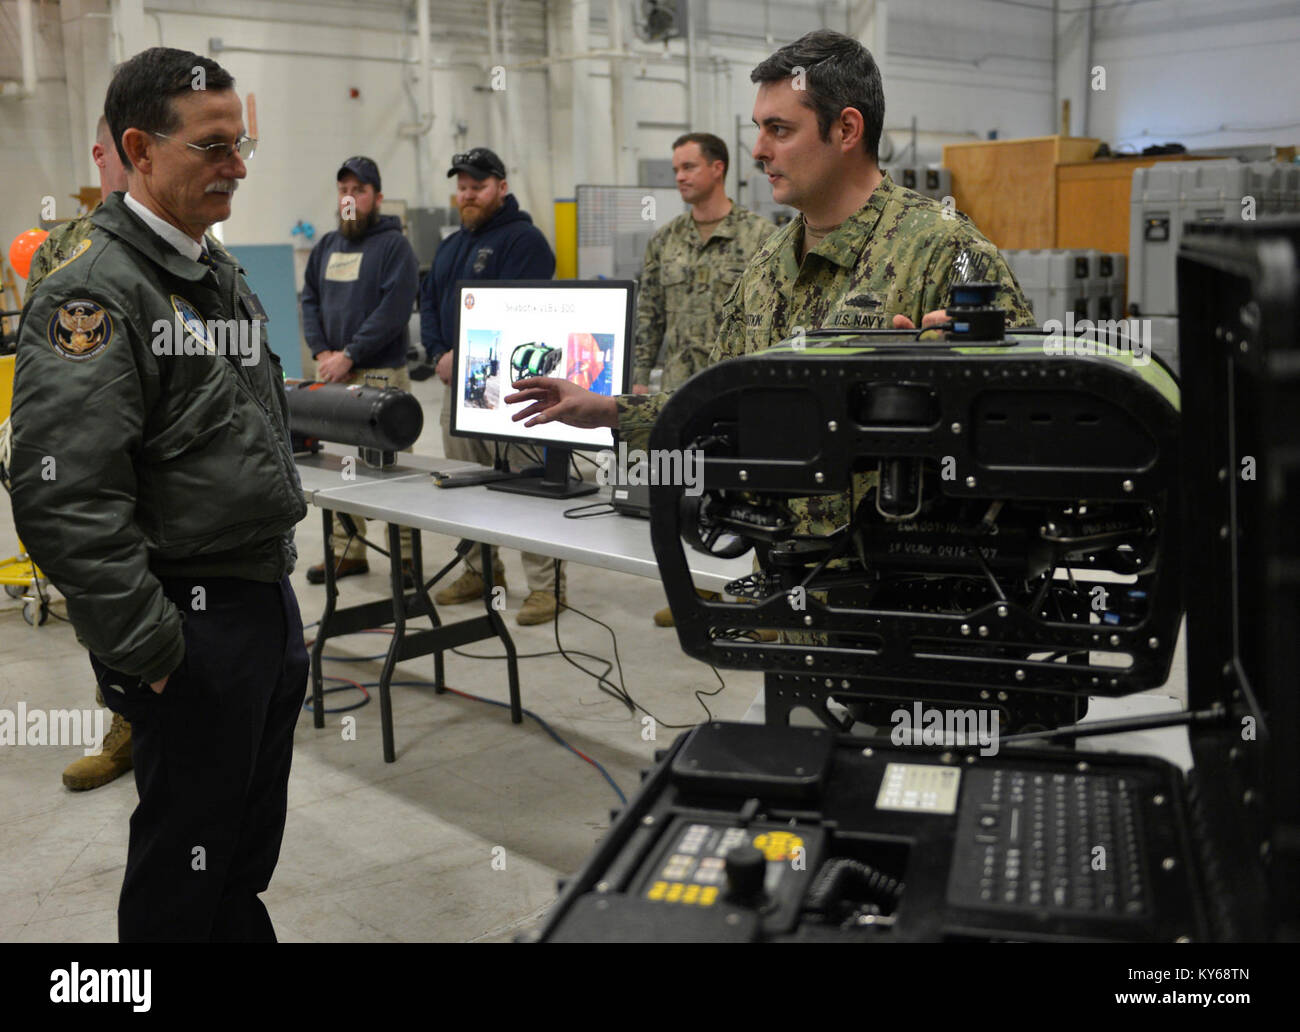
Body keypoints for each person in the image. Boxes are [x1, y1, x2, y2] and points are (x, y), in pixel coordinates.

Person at [506, 29, 1033, 545]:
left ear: (846, 129)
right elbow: (719, 411)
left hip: (899, 603)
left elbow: (1031, 436)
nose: (758, 150)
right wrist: (608, 410)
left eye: (779, 130)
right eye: (759, 128)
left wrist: (949, 386)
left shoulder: (946, 252)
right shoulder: (765, 267)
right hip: (777, 599)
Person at [10, 46, 308, 942]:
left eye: (242, 142)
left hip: (260, 601)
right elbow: (63, 496)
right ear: (138, 150)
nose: (238, 165)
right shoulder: (96, 295)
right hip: (190, 625)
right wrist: (152, 647)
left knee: (240, 855)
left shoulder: (209, 271)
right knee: (184, 869)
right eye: (214, 146)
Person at [23, 115, 137, 792]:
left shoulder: (181, 240)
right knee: (102, 594)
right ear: (105, 154)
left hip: (159, 459)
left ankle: (175, 717)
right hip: (89, 457)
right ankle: (121, 723)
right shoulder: (62, 249)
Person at [632, 132, 775, 627]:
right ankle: (688, 592)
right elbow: (647, 315)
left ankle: (763, 599)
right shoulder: (665, 240)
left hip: (737, 397)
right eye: (676, 169)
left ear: (718, 168)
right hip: (677, 395)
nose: (680, 177)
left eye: (689, 166)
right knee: (679, 495)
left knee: (756, 495)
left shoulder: (761, 236)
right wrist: (637, 383)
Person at [418, 146, 564, 626]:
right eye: (461, 186)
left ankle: (547, 586)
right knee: (464, 484)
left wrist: (469, 355)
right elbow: (431, 301)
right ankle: (482, 571)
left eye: (477, 186)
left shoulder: (525, 241)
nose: (467, 195)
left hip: (514, 387)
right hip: (456, 387)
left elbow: (522, 309)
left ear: (501, 187)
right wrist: (440, 353)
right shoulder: (450, 244)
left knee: (527, 481)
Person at [300, 156, 420, 585]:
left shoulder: (394, 248)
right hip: (333, 374)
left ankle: (406, 557)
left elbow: (393, 310)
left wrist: (349, 353)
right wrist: (321, 351)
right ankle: (348, 551)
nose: (349, 198)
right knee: (340, 469)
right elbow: (309, 300)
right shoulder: (327, 246)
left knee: (388, 470)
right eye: (343, 190)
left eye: (359, 190)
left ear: (377, 197)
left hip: (379, 376)